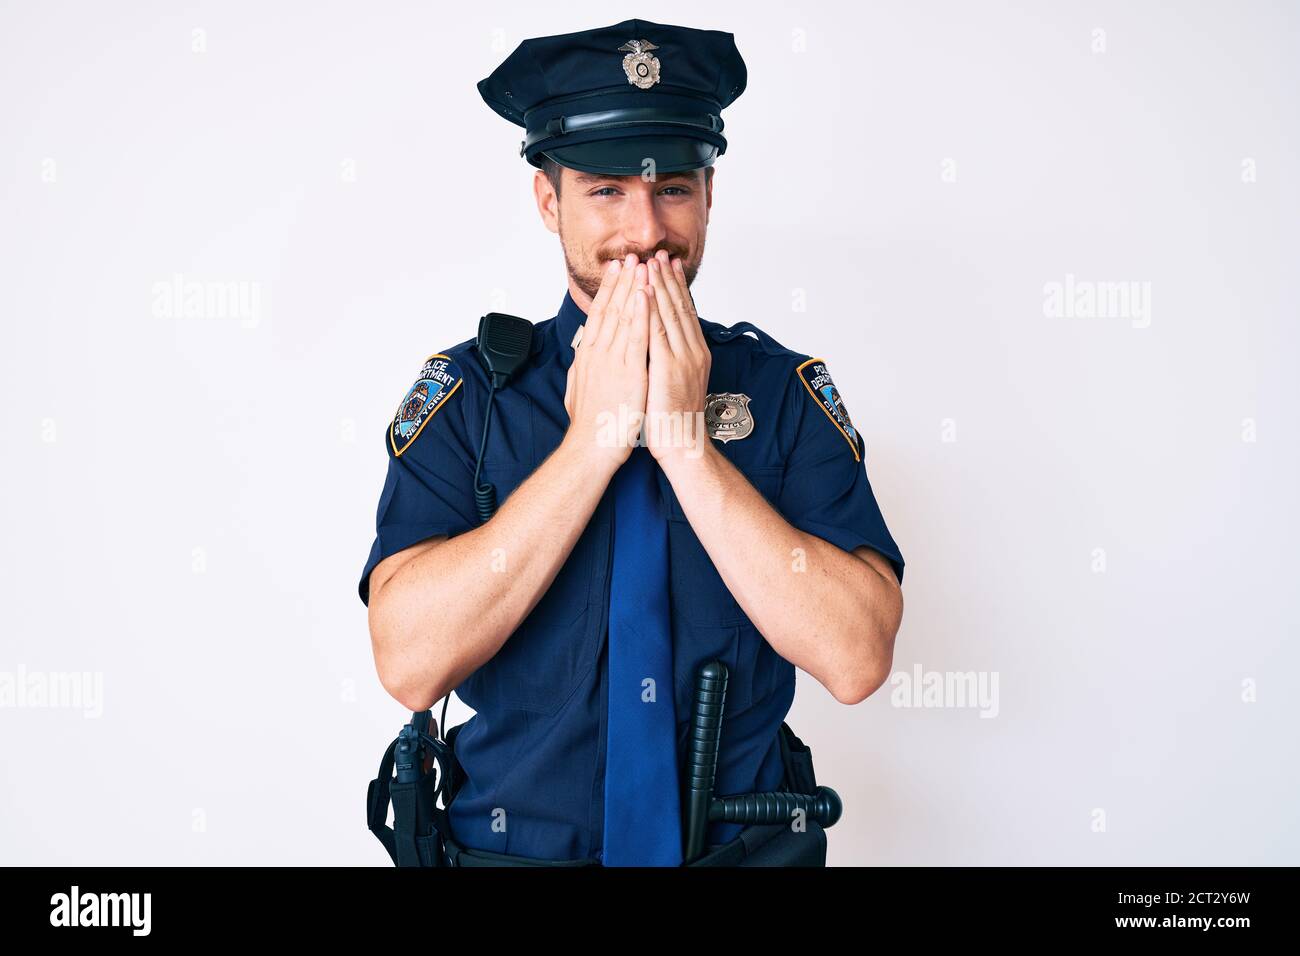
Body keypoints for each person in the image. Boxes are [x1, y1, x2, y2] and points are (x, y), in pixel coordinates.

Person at [358, 17, 905, 866]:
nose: (646, 230)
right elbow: (408, 664)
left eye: (674, 189)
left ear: (710, 194)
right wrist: (591, 446)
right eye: (607, 190)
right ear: (551, 202)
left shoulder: (782, 393)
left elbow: (857, 657)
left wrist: (688, 447)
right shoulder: (470, 397)